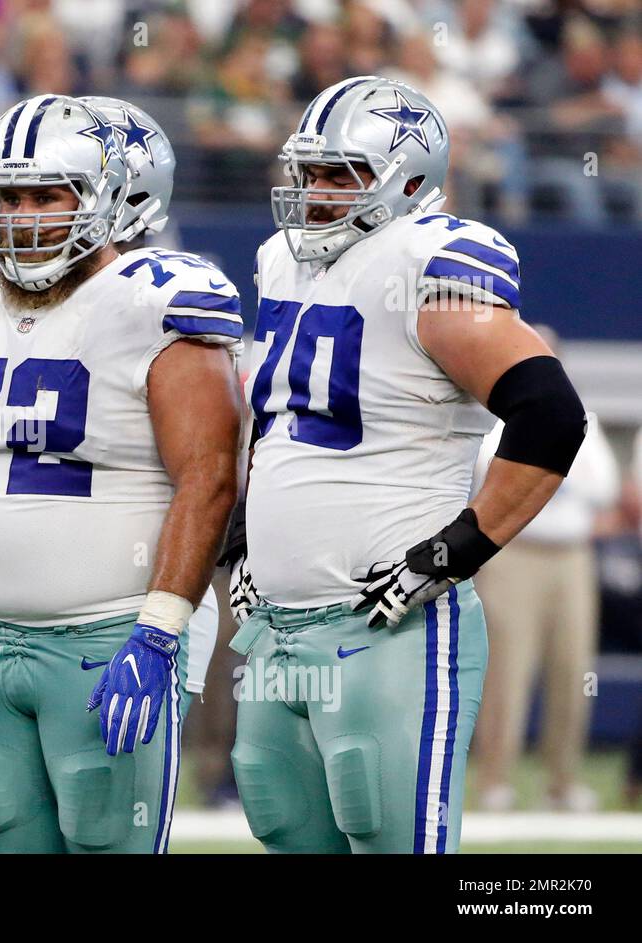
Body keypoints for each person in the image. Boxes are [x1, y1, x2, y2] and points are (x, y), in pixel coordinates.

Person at [0, 94, 244, 853]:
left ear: (106, 201)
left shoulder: (154, 302)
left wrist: (161, 631)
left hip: (108, 639)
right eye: (6, 195)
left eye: (45, 195)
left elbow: (211, 479)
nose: (20, 214)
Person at [227, 76, 586, 854]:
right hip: (278, 629)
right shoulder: (281, 263)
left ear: (411, 183)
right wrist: (243, 538)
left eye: (340, 175)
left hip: (385, 624)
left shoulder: (429, 260)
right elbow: (278, 421)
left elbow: (550, 412)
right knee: (287, 831)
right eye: (309, 172)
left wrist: (460, 548)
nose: (315, 193)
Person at [471, 328, 618, 813]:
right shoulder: (491, 418)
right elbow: (498, 481)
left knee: (574, 670)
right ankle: (495, 780)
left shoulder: (581, 418)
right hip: (514, 553)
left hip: (571, 557)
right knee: (509, 671)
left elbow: (602, 489)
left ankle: (562, 781)